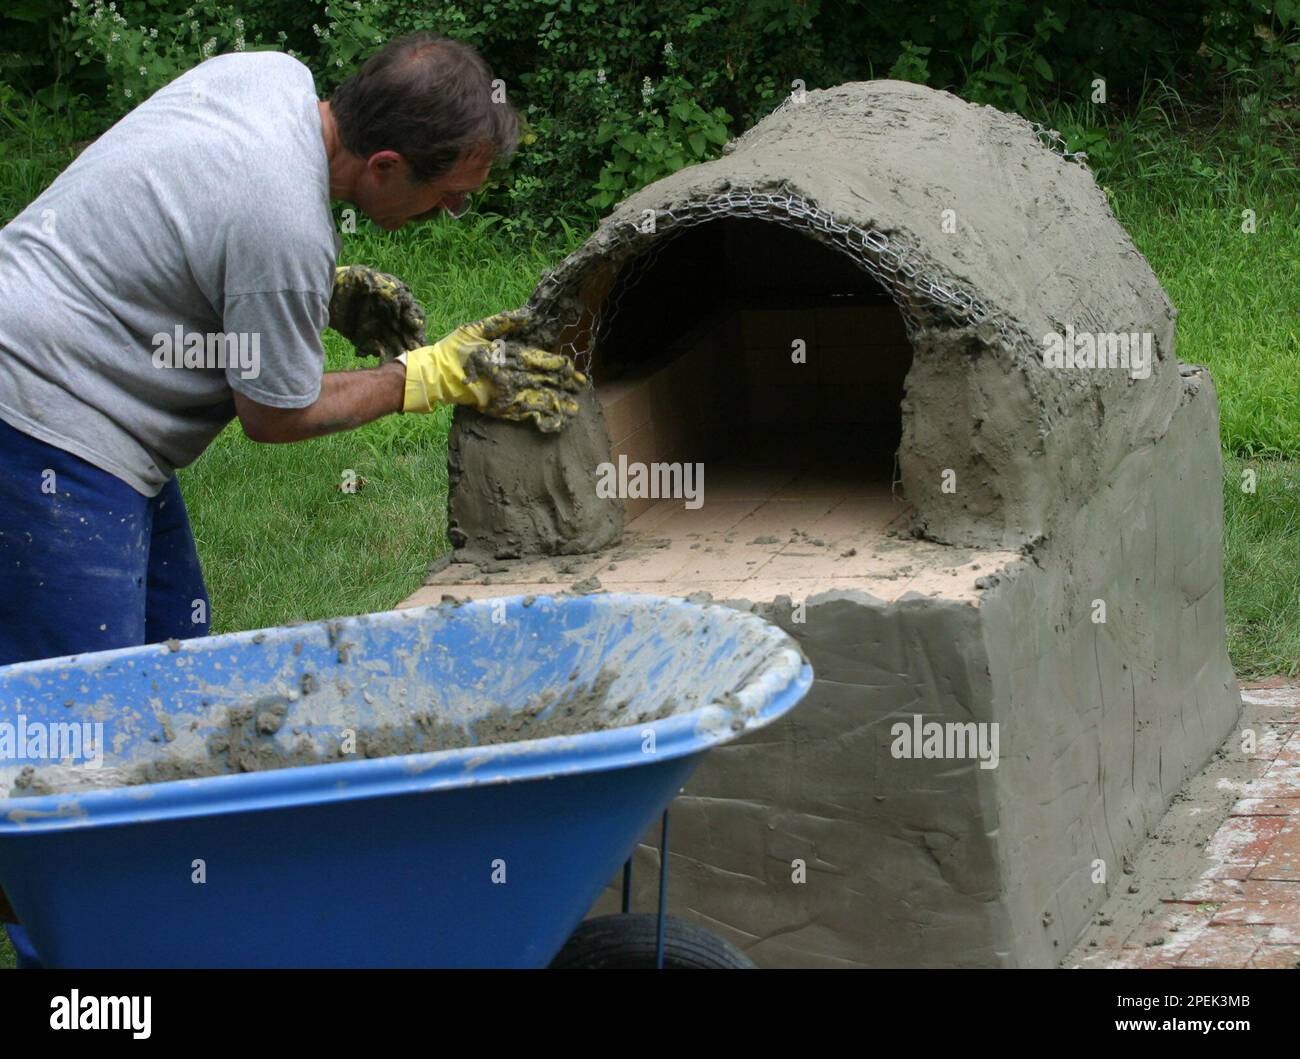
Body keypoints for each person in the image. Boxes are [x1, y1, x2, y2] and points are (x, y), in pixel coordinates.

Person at [0, 33, 583, 938]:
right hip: (40, 422)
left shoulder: (269, 77)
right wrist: (427, 375)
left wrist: (311, 294)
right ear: (386, 165)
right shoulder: (285, 223)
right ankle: (69, 945)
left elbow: (184, 212)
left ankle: (142, 911)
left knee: (170, 675)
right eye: (448, 199)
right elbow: (277, 412)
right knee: (72, 738)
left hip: (77, 379)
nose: (448, 214)